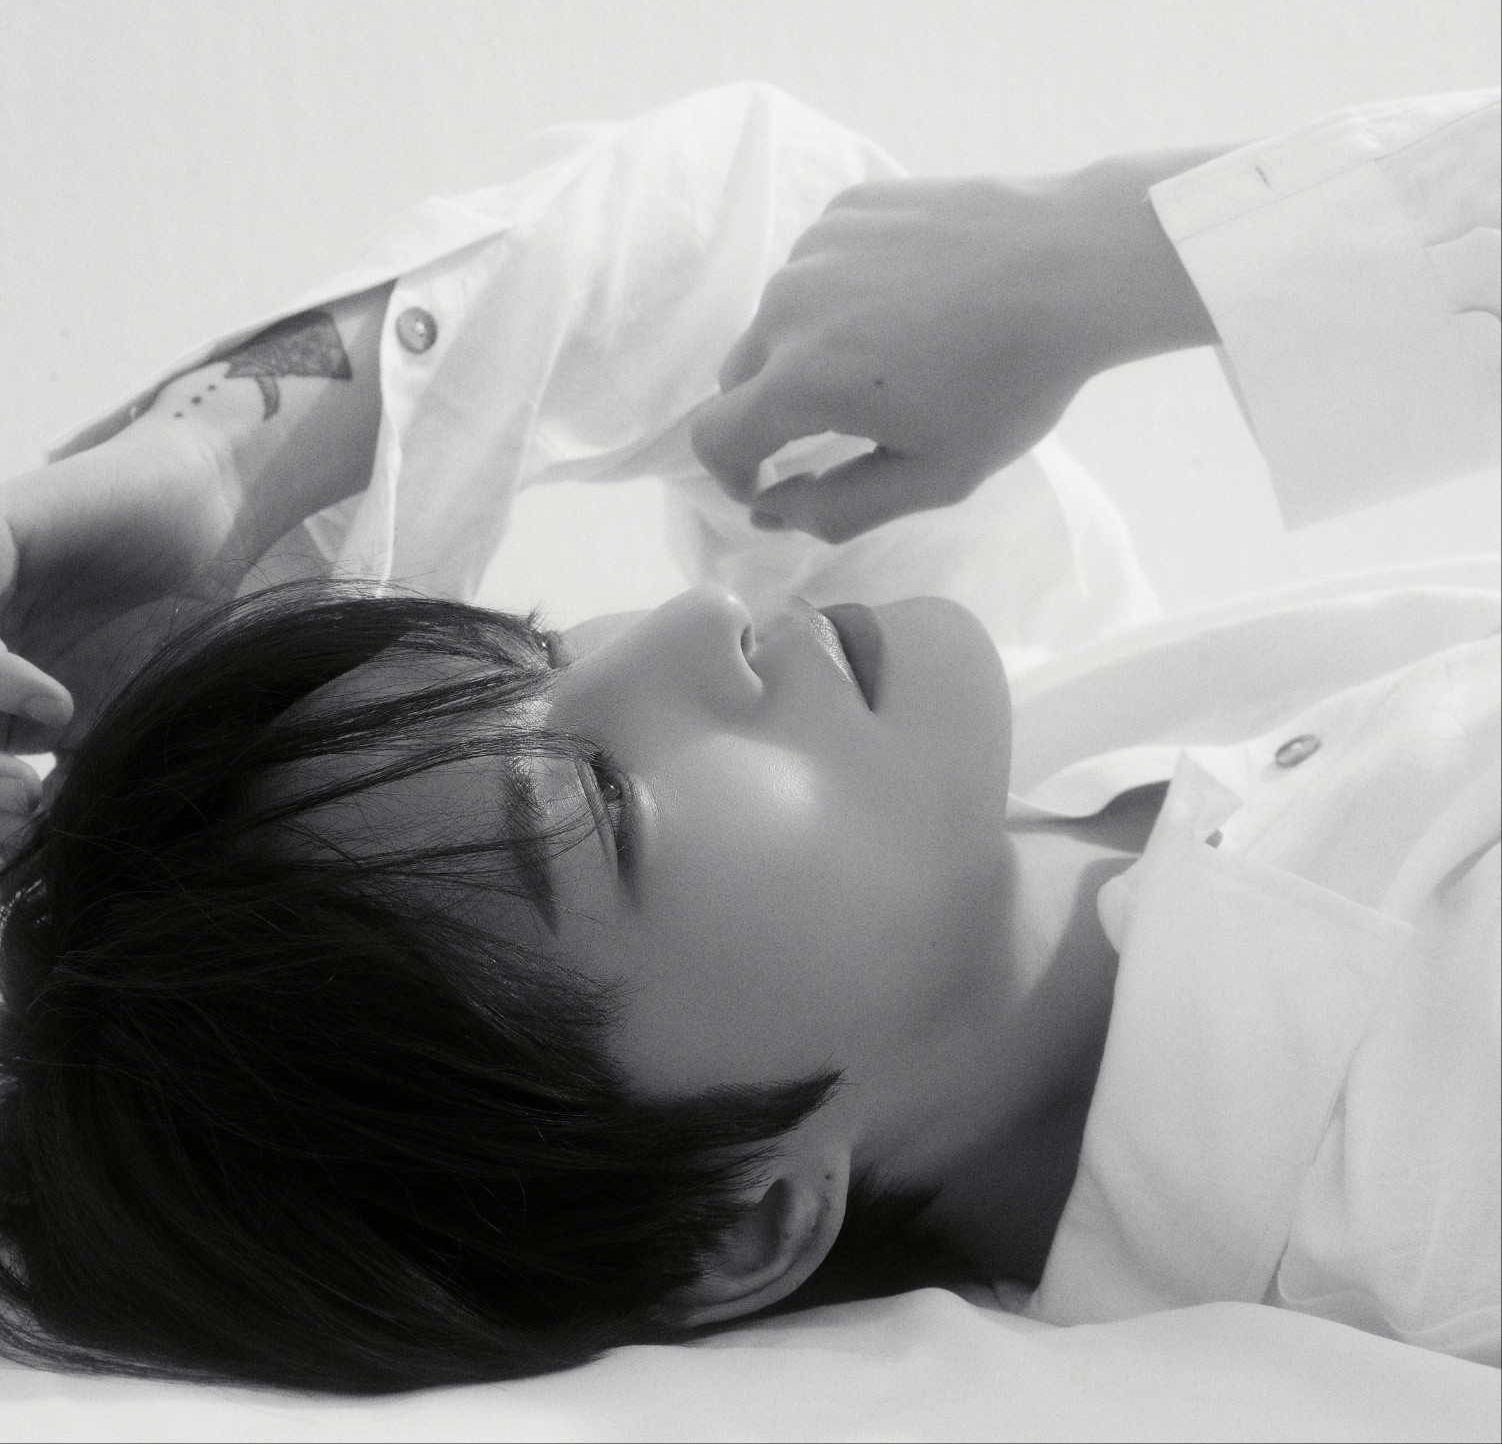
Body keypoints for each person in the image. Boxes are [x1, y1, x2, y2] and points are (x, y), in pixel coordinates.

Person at [0, 82, 1495, 1394]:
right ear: (746, 1220)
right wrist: (1134, 251)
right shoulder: (1428, 1141)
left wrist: (224, 463)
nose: (688, 621)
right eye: (600, 800)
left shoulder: (1032, 803)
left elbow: (758, 253)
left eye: (540, 647)